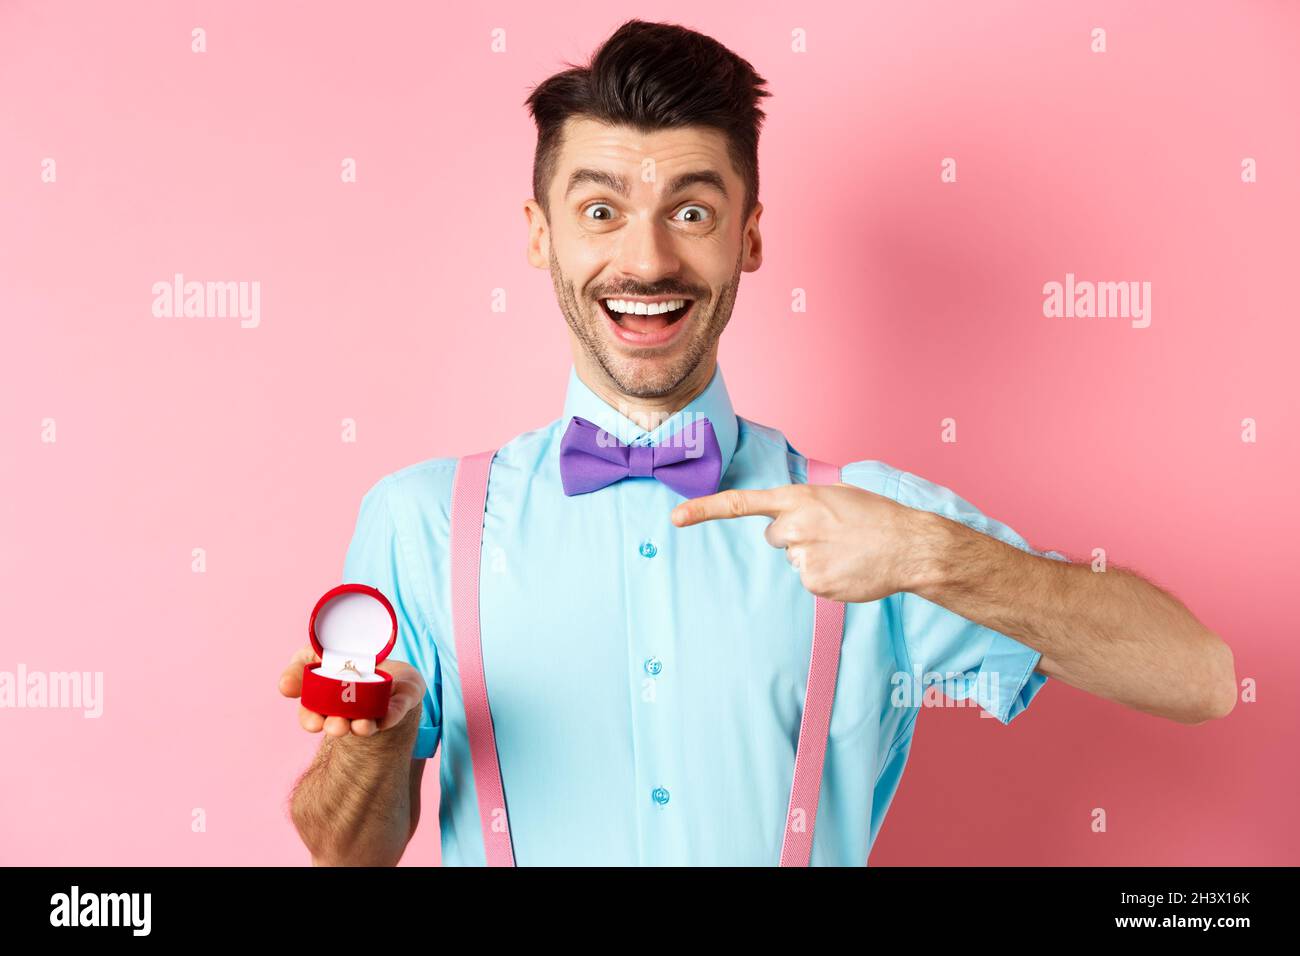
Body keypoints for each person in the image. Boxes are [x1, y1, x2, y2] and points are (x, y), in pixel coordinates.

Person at [278, 18, 1236, 866]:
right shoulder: (421, 520)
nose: (647, 259)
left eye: (691, 211)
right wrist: (370, 740)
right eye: (600, 210)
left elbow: (1197, 679)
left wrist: (932, 553)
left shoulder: (878, 519)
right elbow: (343, 855)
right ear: (541, 234)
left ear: (749, 236)